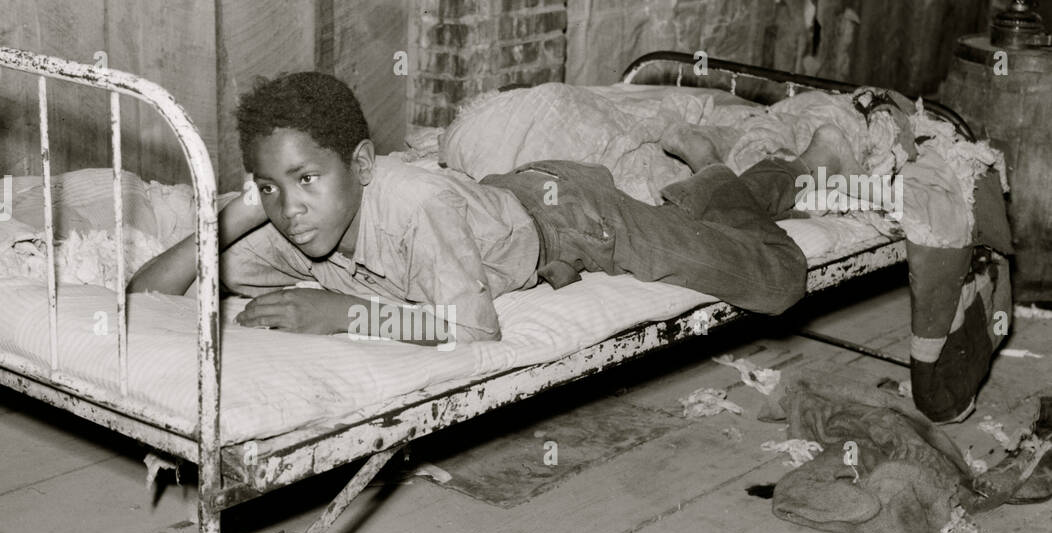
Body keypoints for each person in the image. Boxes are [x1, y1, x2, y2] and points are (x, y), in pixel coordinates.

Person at [128, 71, 864, 344]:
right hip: (514, 200)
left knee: (776, 279)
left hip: (576, 219)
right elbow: (144, 296)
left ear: (361, 164)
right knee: (700, 215)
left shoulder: (410, 200)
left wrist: (343, 314)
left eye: (307, 179)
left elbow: (473, 329)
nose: (291, 208)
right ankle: (729, 184)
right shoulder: (291, 224)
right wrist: (235, 214)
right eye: (269, 186)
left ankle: (713, 165)